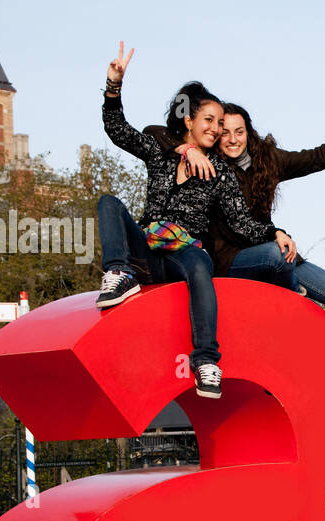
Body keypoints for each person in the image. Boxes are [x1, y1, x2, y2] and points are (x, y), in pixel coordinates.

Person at [96, 42, 291, 398]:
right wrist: (114, 85)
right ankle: (117, 274)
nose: (217, 129)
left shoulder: (219, 172)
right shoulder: (161, 151)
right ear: (189, 121)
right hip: (147, 250)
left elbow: (239, 222)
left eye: (220, 123)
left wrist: (274, 231)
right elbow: (117, 129)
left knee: (201, 261)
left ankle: (205, 361)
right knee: (109, 202)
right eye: (209, 121)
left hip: (182, 256)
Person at [145, 93, 325, 343]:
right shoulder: (207, 163)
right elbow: (153, 132)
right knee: (275, 254)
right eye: (224, 132)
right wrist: (185, 148)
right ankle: (294, 304)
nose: (232, 139)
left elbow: (318, 157)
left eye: (239, 132)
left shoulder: (268, 160)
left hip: (277, 254)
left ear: (248, 132)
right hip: (229, 258)